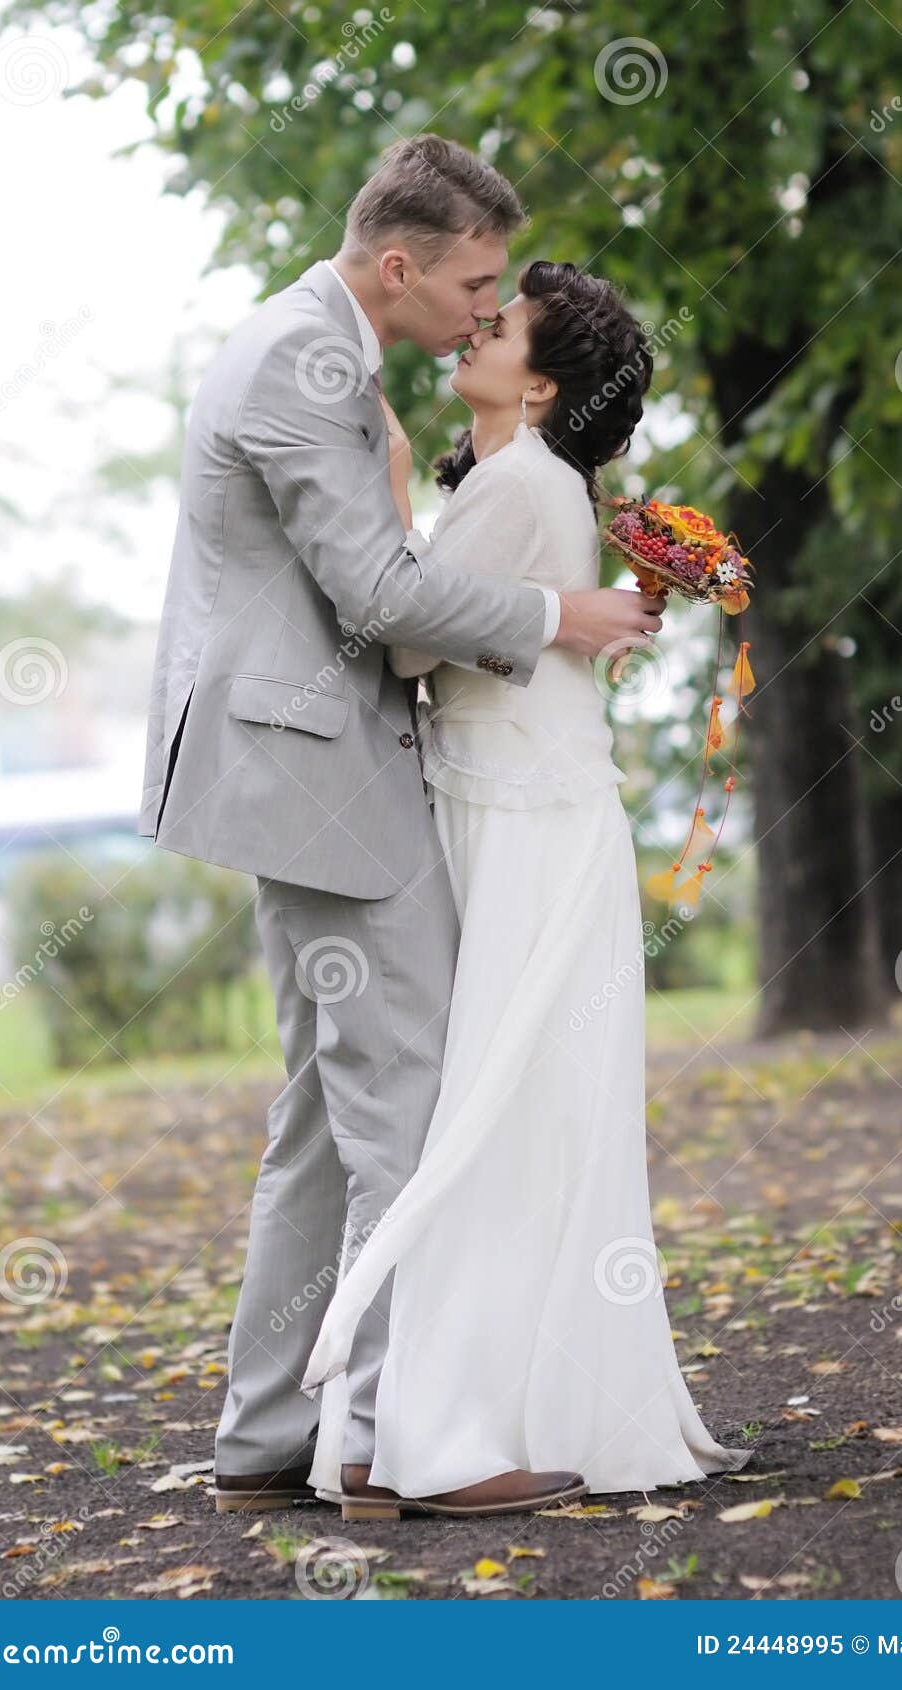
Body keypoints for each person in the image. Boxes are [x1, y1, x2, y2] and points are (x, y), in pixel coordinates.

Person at [137, 132, 666, 1517]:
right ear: (398, 266)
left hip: (307, 760)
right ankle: (388, 1443)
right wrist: (563, 615)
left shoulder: (319, 346)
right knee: (407, 1107)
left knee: (324, 1112)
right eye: (474, 283)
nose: (482, 311)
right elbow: (377, 594)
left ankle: (266, 1430)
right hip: (318, 775)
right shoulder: (304, 364)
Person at [299, 260, 753, 1521]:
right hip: (524, 820)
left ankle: (429, 1431)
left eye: (496, 327)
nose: (473, 329)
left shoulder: (518, 486)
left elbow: (400, 639)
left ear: (540, 386)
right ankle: (419, 1423)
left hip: (519, 832)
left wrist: (387, 498)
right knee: (512, 1115)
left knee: (490, 1117)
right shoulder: (529, 486)